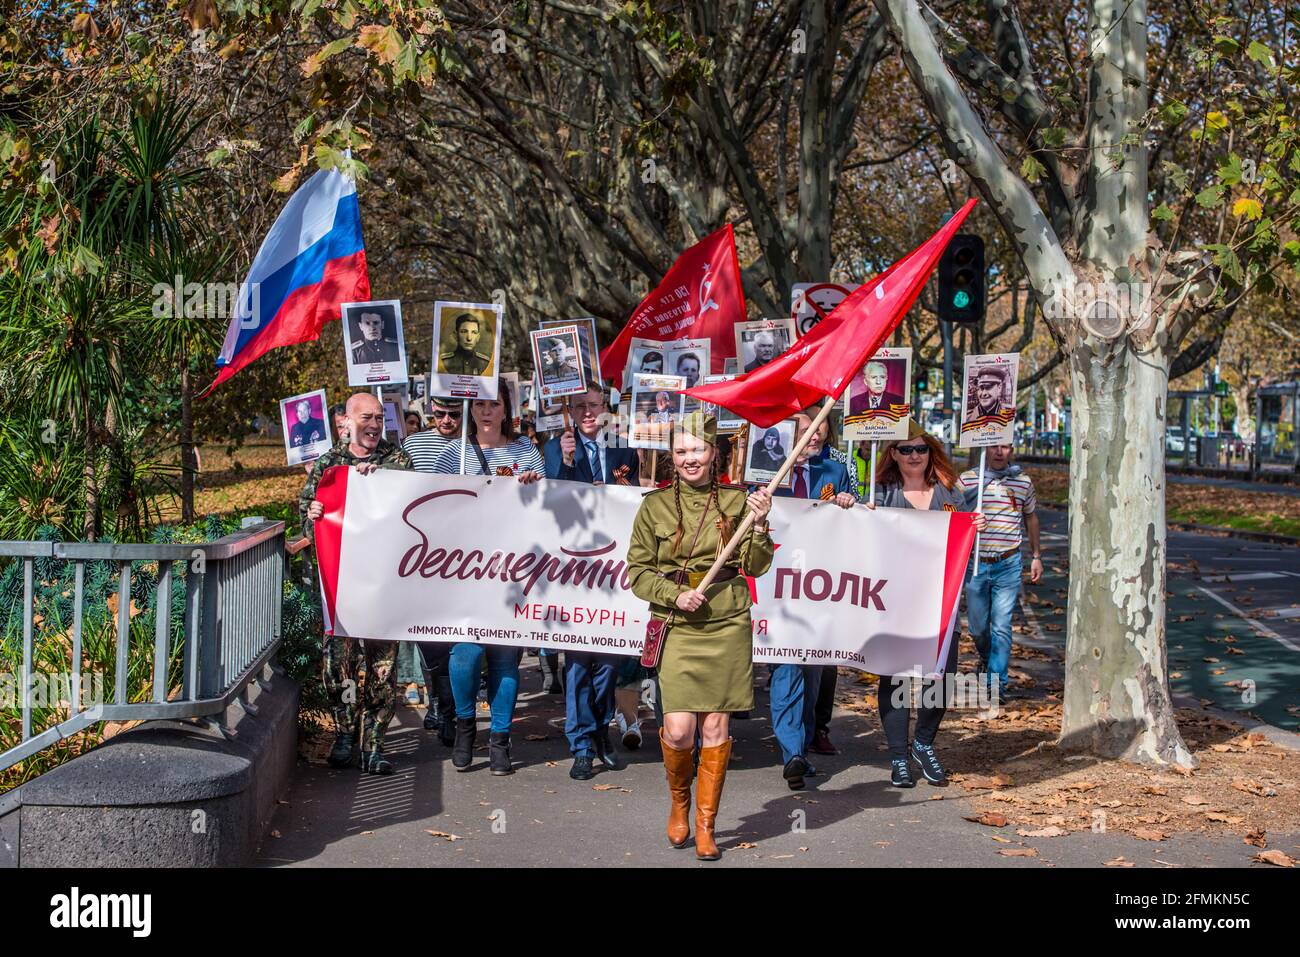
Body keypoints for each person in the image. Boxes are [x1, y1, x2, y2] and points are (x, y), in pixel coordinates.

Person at [627, 412, 774, 860]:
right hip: (679, 623)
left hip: (727, 621)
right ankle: (679, 802)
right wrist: (674, 595)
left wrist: (762, 524)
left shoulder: (737, 501)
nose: (690, 459)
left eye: (698, 450)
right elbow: (637, 572)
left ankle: (706, 825)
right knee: (678, 730)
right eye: (682, 451)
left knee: (715, 724)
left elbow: (755, 566)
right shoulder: (653, 505)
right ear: (672, 457)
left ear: (714, 453)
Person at [865, 421, 985, 788]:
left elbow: (965, 542)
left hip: (941, 605)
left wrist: (974, 525)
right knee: (896, 679)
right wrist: (864, 517)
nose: (914, 455)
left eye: (921, 449)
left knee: (941, 679)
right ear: (893, 455)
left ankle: (923, 744)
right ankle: (899, 757)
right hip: (895, 603)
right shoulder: (882, 492)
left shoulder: (950, 491)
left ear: (931, 453)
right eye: (906, 449)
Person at [300, 392, 414, 775]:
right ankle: (346, 732)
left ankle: (375, 745)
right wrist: (313, 513)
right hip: (344, 588)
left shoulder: (396, 459)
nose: (374, 424)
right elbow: (307, 519)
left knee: (382, 668)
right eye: (366, 417)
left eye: (379, 418)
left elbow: (413, 503)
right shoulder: (329, 463)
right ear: (346, 421)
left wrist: (380, 481)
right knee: (339, 667)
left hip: (384, 586)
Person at [434, 386, 543, 775]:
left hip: (513, 567)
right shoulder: (454, 454)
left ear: (505, 408)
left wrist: (534, 487)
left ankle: (500, 739)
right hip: (466, 568)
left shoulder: (525, 451)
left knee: (503, 655)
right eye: (478, 403)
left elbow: (546, 508)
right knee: (466, 652)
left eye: (493, 403)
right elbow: (436, 506)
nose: (485, 410)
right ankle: (465, 727)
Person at [542, 384, 640, 780]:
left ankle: (601, 730)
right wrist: (567, 463)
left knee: (609, 661)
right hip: (574, 567)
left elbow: (638, 495)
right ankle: (581, 744)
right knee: (579, 661)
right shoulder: (554, 447)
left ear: (605, 409)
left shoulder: (624, 448)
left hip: (614, 568)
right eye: (579, 406)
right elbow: (550, 500)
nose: (587, 413)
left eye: (593, 406)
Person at [766, 410, 856, 788]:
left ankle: (801, 744)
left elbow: (853, 526)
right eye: (805, 430)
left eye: (820, 428)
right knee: (786, 667)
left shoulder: (833, 473)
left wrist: (849, 504)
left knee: (812, 671)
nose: (814, 435)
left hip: (818, 589)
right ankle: (793, 753)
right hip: (776, 587)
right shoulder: (768, 472)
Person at [957, 443, 1041, 701]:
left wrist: (1036, 556)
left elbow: (1031, 517)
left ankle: (996, 686)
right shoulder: (967, 480)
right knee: (978, 628)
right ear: (985, 448)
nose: (999, 452)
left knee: (1002, 626)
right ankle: (984, 657)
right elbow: (953, 514)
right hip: (975, 564)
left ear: (1011, 449)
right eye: (993, 446)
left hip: (1008, 563)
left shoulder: (1022, 482)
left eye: (1004, 447)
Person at [403, 396, 462, 471]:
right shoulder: (411, 444)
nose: (446, 420)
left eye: (454, 415)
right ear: (433, 408)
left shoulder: (472, 446)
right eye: (440, 414)